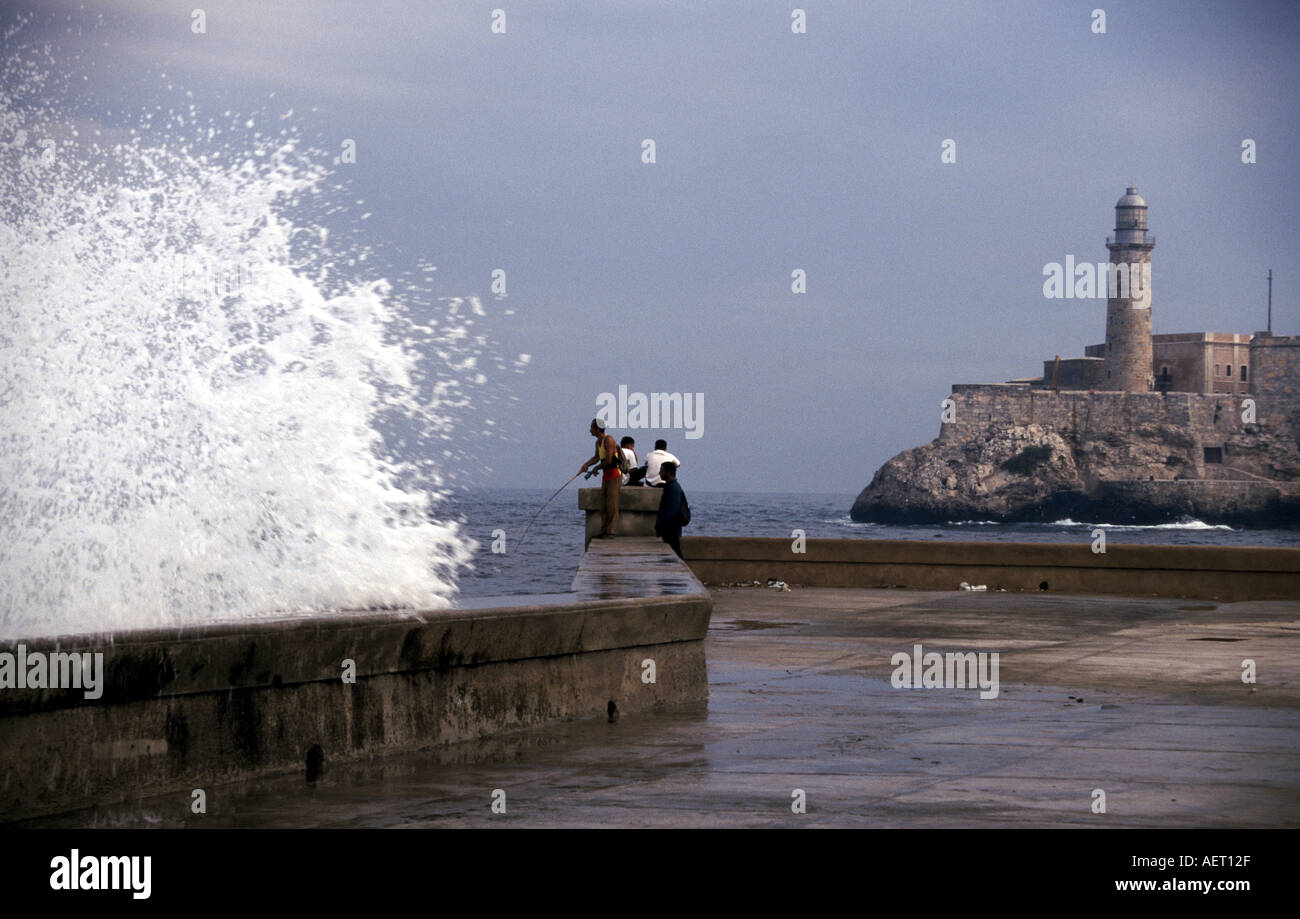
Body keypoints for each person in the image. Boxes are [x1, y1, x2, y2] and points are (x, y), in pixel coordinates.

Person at [579, 418, 621, 538]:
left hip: (614, 475)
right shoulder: (598, 442)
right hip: (606, 475)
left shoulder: (609, 440)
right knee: (604, 505)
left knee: (612, 505)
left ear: (597, 429)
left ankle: (611, 531)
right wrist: (586, 465)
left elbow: (608, 460)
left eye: (591, 427)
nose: (590, 430)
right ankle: (604, 530)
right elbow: (597, 457)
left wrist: (596, 468)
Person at [654, 461, 688, 558]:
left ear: (668, 472)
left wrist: (662, 527)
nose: (659, 473)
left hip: (671, 531)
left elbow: (671, 511)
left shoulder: (672, 488)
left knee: (675, 553)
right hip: (671, 530)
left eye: (662, 470)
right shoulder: (671, 487)